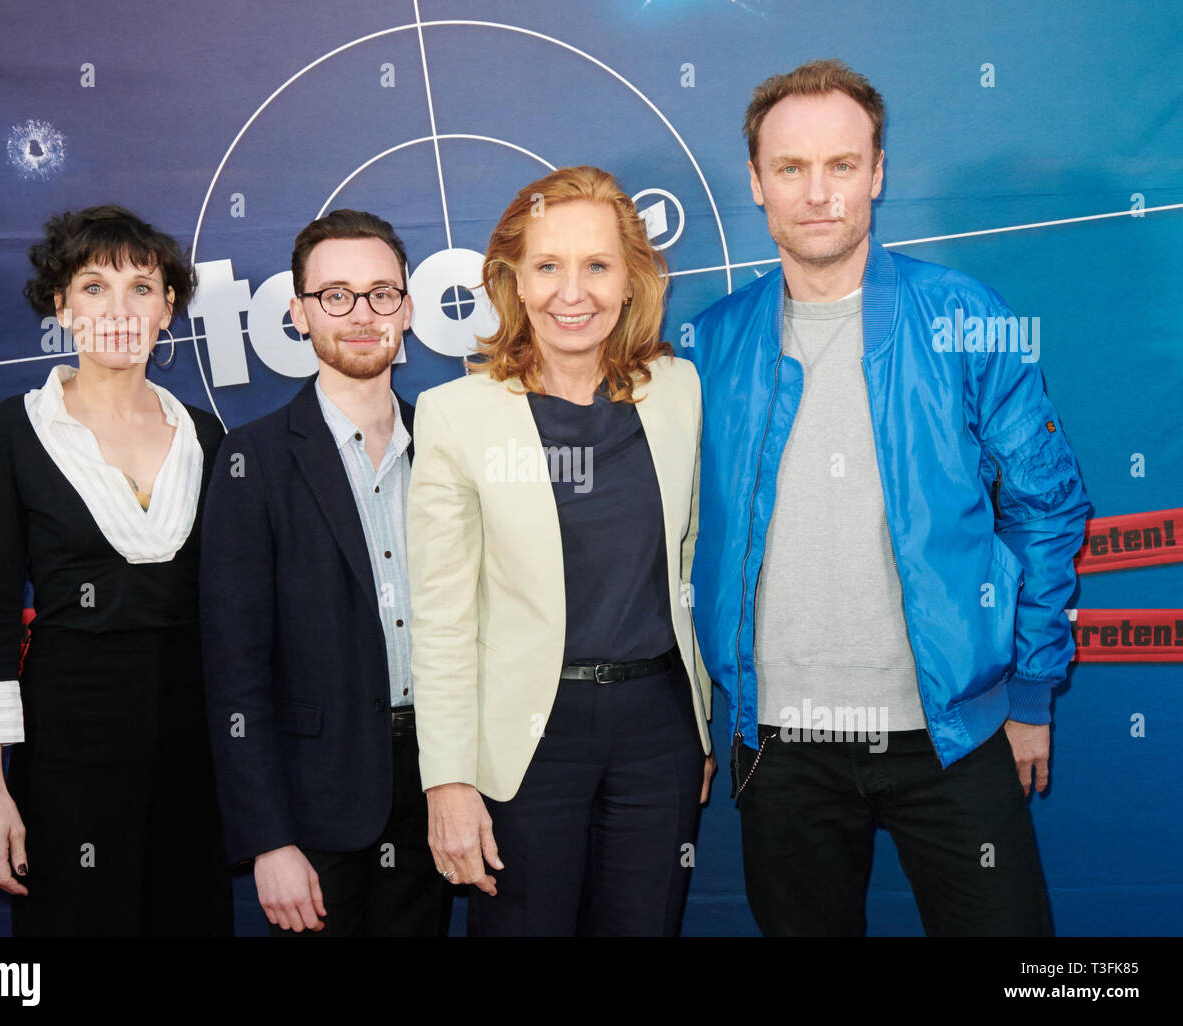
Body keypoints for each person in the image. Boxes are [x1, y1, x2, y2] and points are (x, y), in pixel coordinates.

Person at [689, 59, 1091, 936]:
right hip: (781, 749)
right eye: (790, 168)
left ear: (878, 172)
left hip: (952, 734)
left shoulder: (964, 317)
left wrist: (1028, 692)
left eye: (842, 164)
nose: (817, 192)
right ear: (756, 181)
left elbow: (1048, 507)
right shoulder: (709, 344)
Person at [408, 165, 716, 937]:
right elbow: (441, 621)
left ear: (633, 280)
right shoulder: (455, 417)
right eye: (547, 267)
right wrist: (446, 780)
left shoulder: (679, 391)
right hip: (524, 743)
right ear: (513, 280)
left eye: (597, 267)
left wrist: (699, 725)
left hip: (658, 732)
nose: (571, 293)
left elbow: (687, 564)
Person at [0, 204, 232, 936]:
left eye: (142, 287)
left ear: (169, 308)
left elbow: (235, 607)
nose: (119, 308)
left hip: (194, 745)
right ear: (63, 306)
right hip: (68, 745)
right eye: (95, 286)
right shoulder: (13, 429)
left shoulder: (206, 435)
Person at [200, 209, 449, 936]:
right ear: (299, 314)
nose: (361, 314)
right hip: (316, 803)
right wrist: (269, 840)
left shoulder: (447, 443)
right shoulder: (253, 460)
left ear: (406, 308)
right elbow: (233, 666)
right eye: (335, 296)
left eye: (380, 293)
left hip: (440, 787)